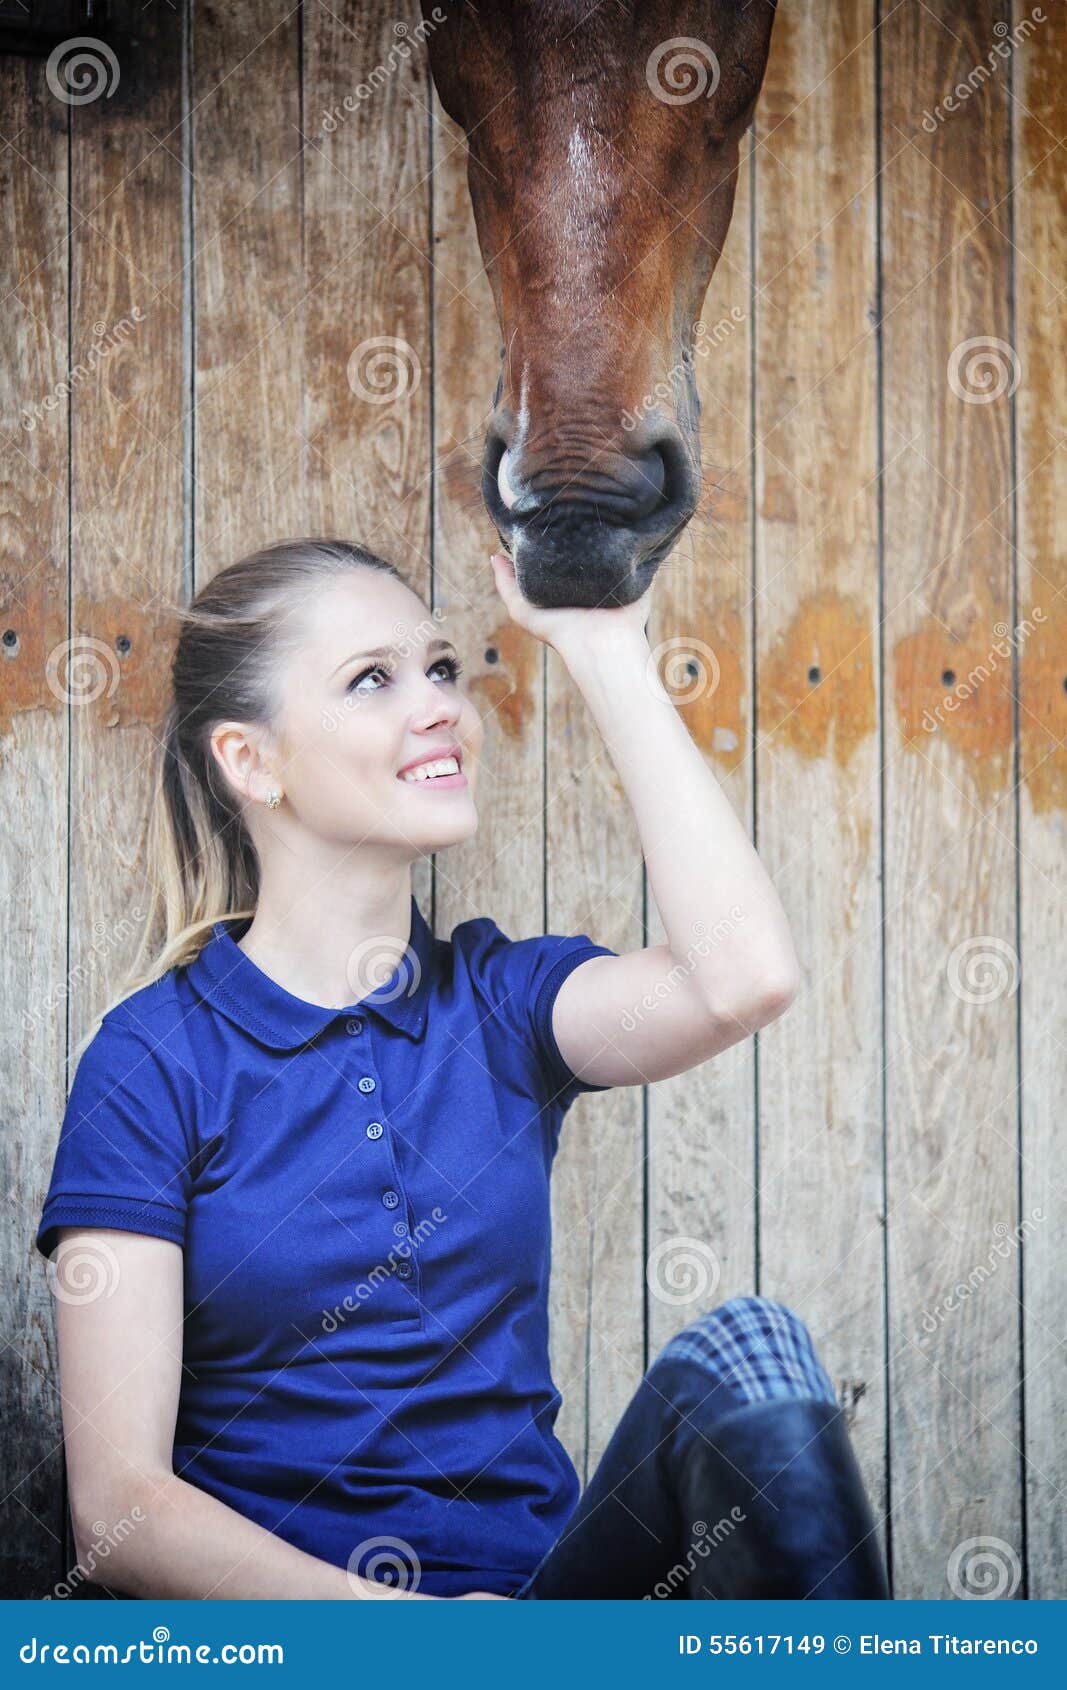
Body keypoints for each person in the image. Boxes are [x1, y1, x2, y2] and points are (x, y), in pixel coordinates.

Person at [35, 537, 887, 1600]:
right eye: (372, 679)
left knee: (753, 1350)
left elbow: (742, 980)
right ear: (251, 763)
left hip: (539, 1628)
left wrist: (603, 645)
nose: (437, 703)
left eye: (439, 668)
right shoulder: (154, 1059)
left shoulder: (501, 1004)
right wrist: (416, 1636)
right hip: (309, 1653)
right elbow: (117, 1512)